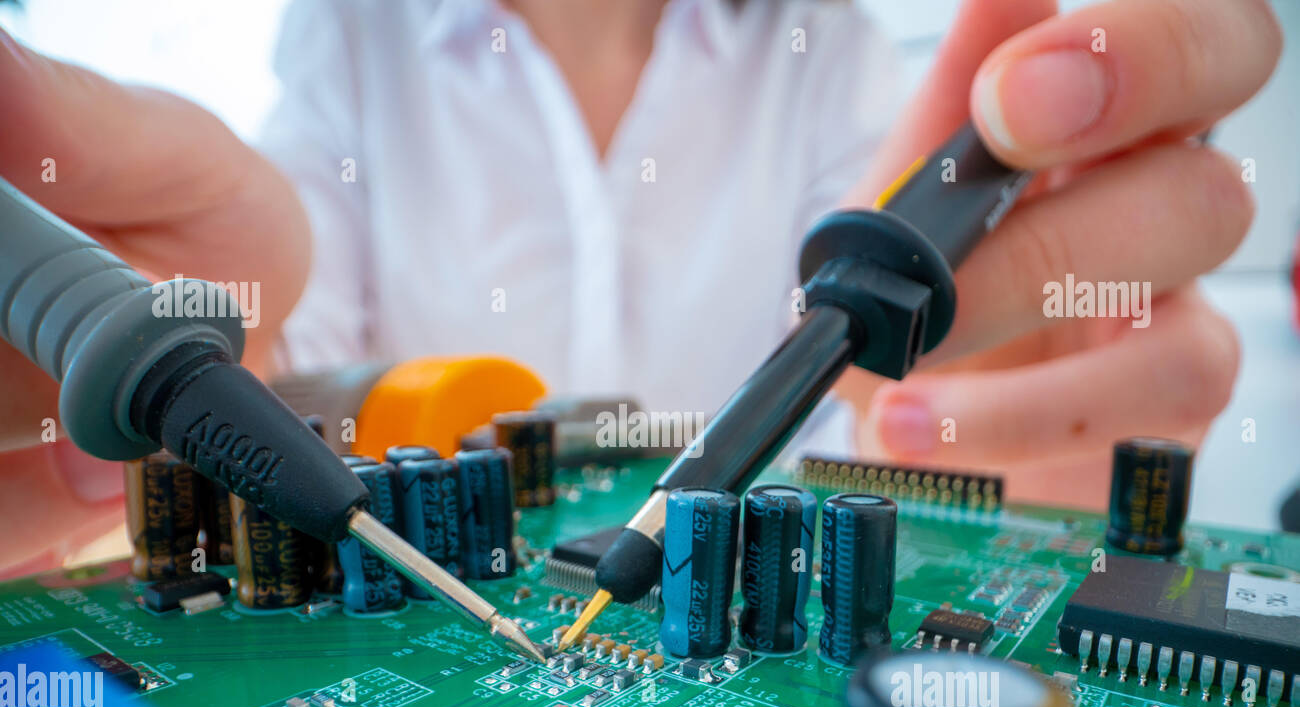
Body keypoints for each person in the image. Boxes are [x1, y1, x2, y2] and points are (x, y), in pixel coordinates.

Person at [0, 0, 1281, 574]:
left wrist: (990, 454)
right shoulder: (348, 36)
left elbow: (881, 438)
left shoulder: (821, 53)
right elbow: (296, 391)